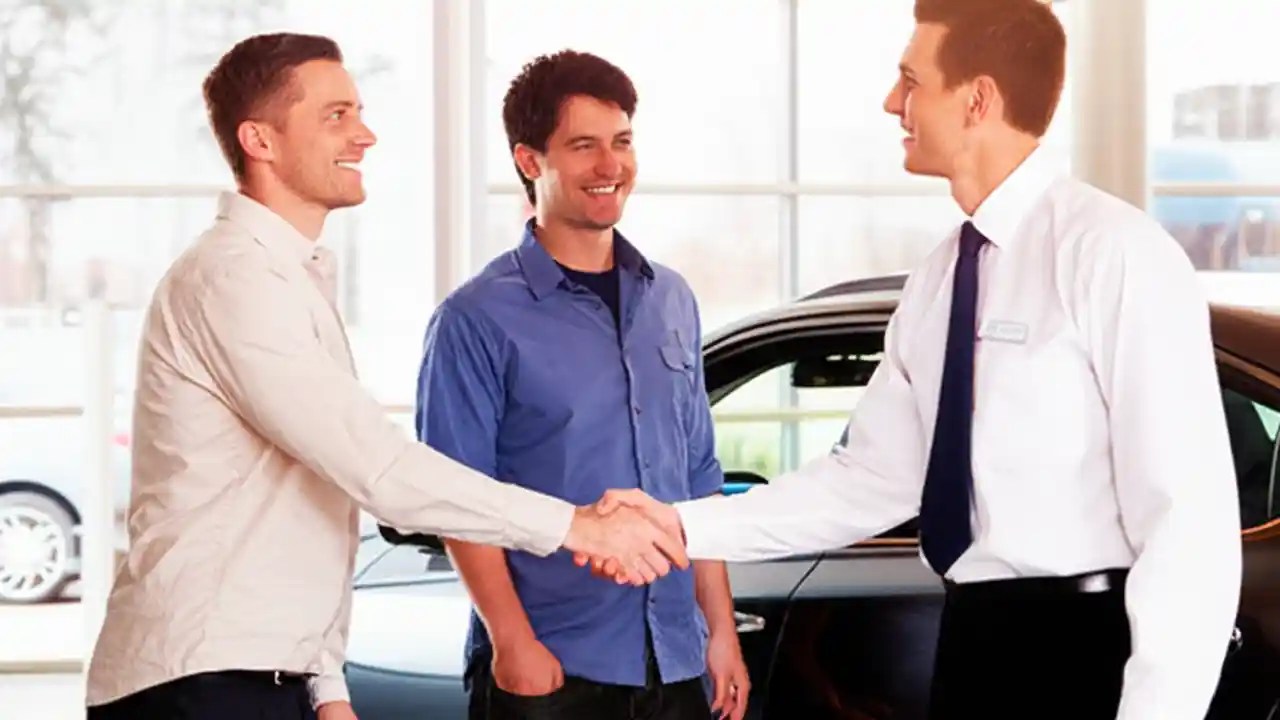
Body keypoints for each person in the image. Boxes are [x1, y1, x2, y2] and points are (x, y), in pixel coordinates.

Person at [586, 1, 1243, 718]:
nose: (891, 102)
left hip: (1085, 650)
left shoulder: (1115, 253)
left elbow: (1186, 524)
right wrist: (679, 526)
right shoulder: (940, 280)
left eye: (911, 81)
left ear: (977, 100)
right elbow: (869, 481)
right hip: (968, 641)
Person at [83, 33, 686, 720]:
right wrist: (578, 527)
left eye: (359, 113)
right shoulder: (234, 279)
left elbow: (302, 504)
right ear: (260, 140)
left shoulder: (289, 277)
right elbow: (379, 471)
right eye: (336, 115)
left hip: (260, 677)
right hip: (202, 683)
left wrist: (325, 684)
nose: (364, 135)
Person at [407, 49, 748, 720]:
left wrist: (720, 630)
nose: (610, 166)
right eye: (584, 146)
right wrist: (513, 644)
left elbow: (699, 478)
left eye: (622, 142)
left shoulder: (671, 299)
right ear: (529, 160)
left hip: (674, 659)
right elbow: (456, 499)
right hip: (554, 664)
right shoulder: (475, 318)